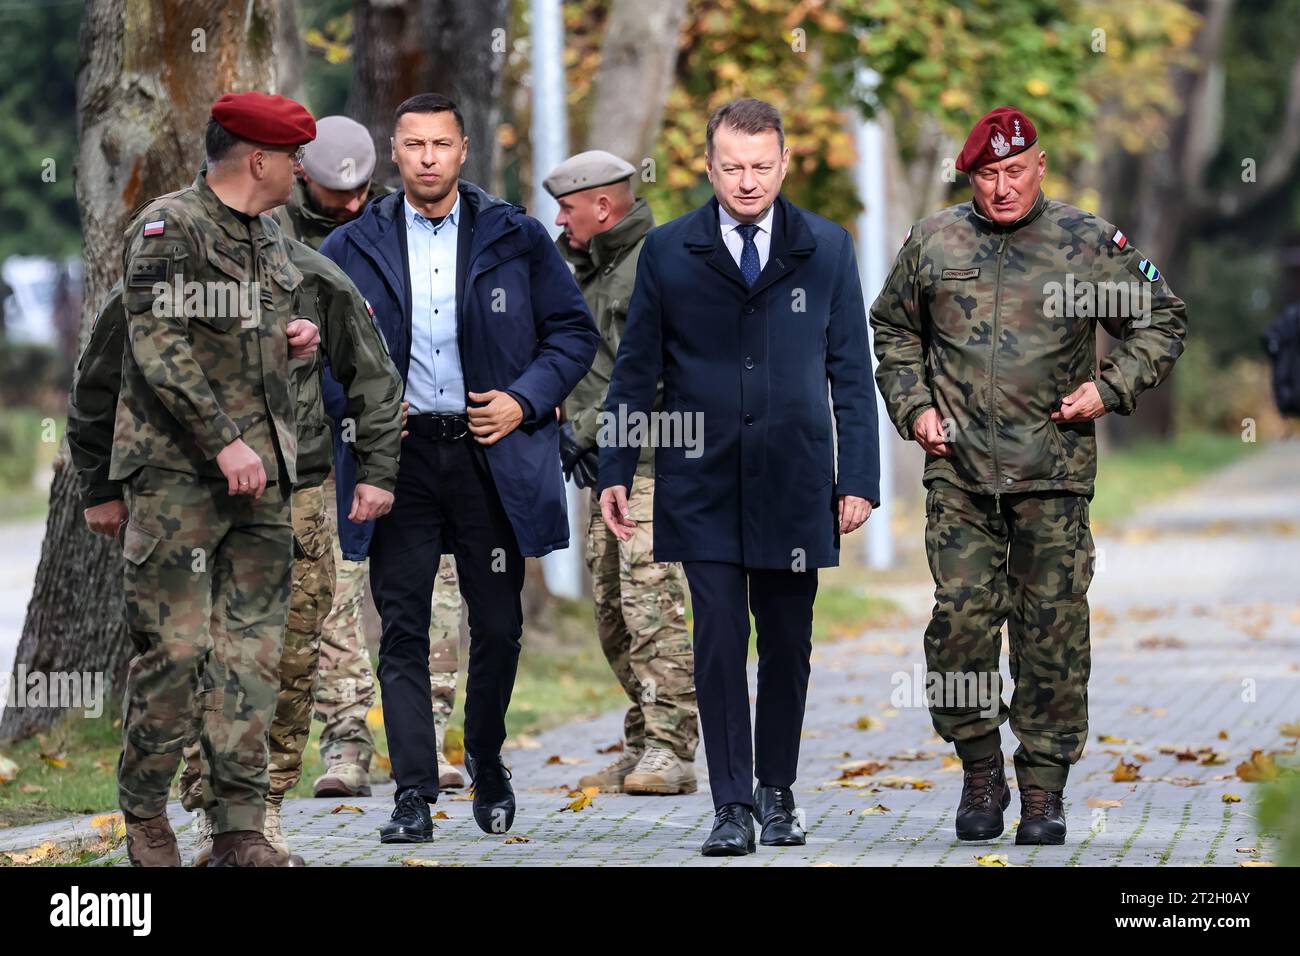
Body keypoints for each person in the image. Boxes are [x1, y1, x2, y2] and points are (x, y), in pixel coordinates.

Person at [870, 106, 1188, 845]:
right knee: (958, 627)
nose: (1003, 187)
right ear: (970, 177)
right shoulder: (934, 241)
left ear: (1040, 167)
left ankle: (1043, 788)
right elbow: (893, 330)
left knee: (1052, 637)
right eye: (988, 175)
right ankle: (980, 765)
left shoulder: (1084, 243)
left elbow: (1161, 319)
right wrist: (914, 406)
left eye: (1015, 171)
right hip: (959, 476)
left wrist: (1110, 389)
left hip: (1052, 474)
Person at [596, 98, 880, 856]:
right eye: (732, 167)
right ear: (709, 166)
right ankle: (730, 804)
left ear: (783, 164)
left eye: (761, 166)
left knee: (786, 643)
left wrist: (859, 477)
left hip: (795, 480)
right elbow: (637, 370)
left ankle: (777, 791)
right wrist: (614, 469)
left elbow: (852, 371)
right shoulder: (667, 251)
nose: (747, 182)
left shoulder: (826, 247)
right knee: (719, 641)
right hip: (703, 480)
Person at [319, 93, 597, 842]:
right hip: (398, 459)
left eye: (441, 144)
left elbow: (572, 334)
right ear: (395, 152)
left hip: (490, 455)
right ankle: (411, 793)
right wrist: (370, 412)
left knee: (499, 625)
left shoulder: (517, 236)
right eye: (414, 145)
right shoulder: (352, 246)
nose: (429, 157)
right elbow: (318, 355)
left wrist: (524, 401)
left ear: (464, 149)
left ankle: (487, 755)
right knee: (402, 627)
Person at [101, 92, 325, 866]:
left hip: (264, 479)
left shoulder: (271, 234)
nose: (302, 169)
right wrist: (225, 441)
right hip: (179, 480)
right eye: (294, 156)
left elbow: (239, 335)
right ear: (258, 159)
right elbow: (158, 343)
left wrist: (293, 338)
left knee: (250, 658)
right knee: (176, 649)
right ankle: (145, 819)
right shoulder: (170, 226)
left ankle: (238, 830)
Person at [274, 113, 468, 796]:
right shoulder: (271, 235)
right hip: (318, 442)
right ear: (302, 174)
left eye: (361, 193)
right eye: (336, 195)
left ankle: (435, 735)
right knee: (333, 592)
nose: (351, 205)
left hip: (409, 439)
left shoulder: (397, 227)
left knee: (436, 587)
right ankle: (345, 745)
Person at [544, 150, 699, 796]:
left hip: (651, 466)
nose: (559, 219)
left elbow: (658, 376)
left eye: (569, 208)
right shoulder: (581, 268)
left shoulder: (652, 264)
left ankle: (672, 747)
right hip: (602, 467)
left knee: (651, 608)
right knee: (611, 610)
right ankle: (641, 739)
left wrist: (585, 432)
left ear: (603, 208)